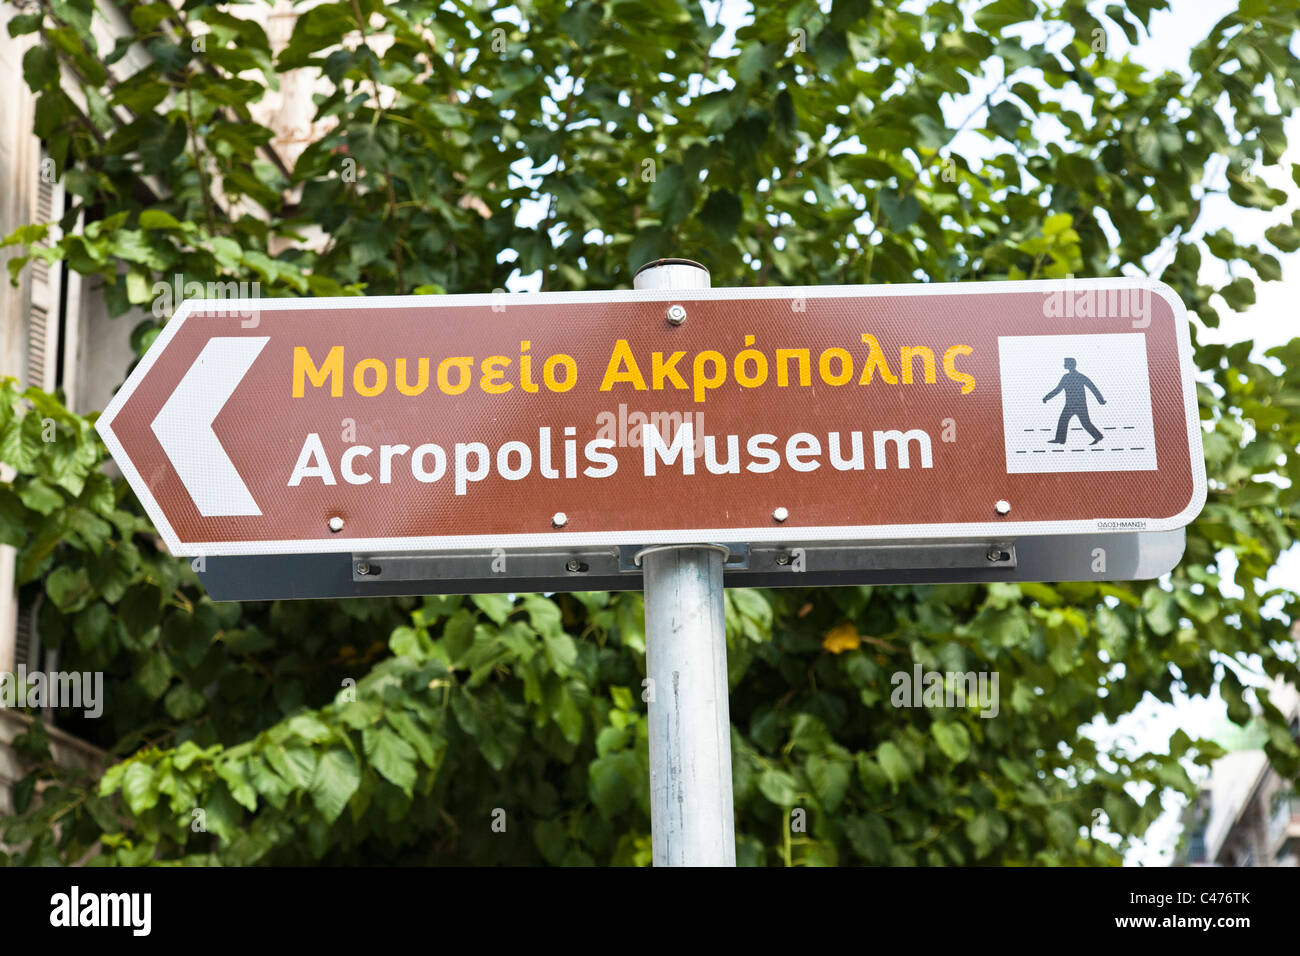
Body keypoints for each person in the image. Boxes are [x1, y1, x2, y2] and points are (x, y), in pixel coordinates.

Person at [1042, 357, 1106, 445]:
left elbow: (1092, 387)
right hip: (1071, 404)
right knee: (1064, 420)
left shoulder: (1078, 377)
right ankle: (1060, 439)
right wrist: (1047, 398)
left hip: (1078, 405)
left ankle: (1098, 436)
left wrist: (1101, 400)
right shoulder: (1068, 377)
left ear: (1070, 365)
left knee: (1084, 422)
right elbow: (1058, 389)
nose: (1064, 365)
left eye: (1065, 363)